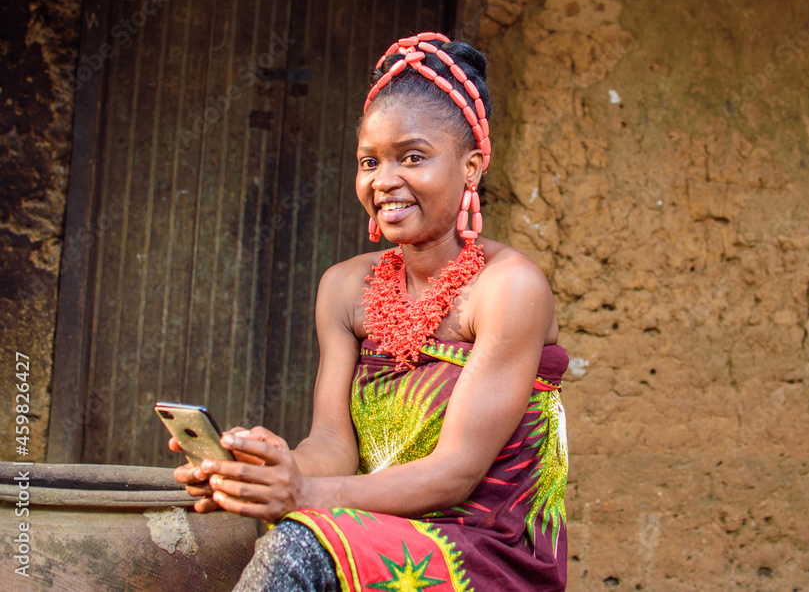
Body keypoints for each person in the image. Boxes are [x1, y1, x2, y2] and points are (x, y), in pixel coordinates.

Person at [170, 32, 569, 591]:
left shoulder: (509, 288)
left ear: (473, 167)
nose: (384, 181)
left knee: (297, 542)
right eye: (368, 161)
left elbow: (456, 472)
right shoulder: (344, 288)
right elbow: (333, 445)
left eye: (412, 156)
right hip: (373, 529)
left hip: (484, 549)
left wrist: (305, 496)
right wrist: (267, 470)